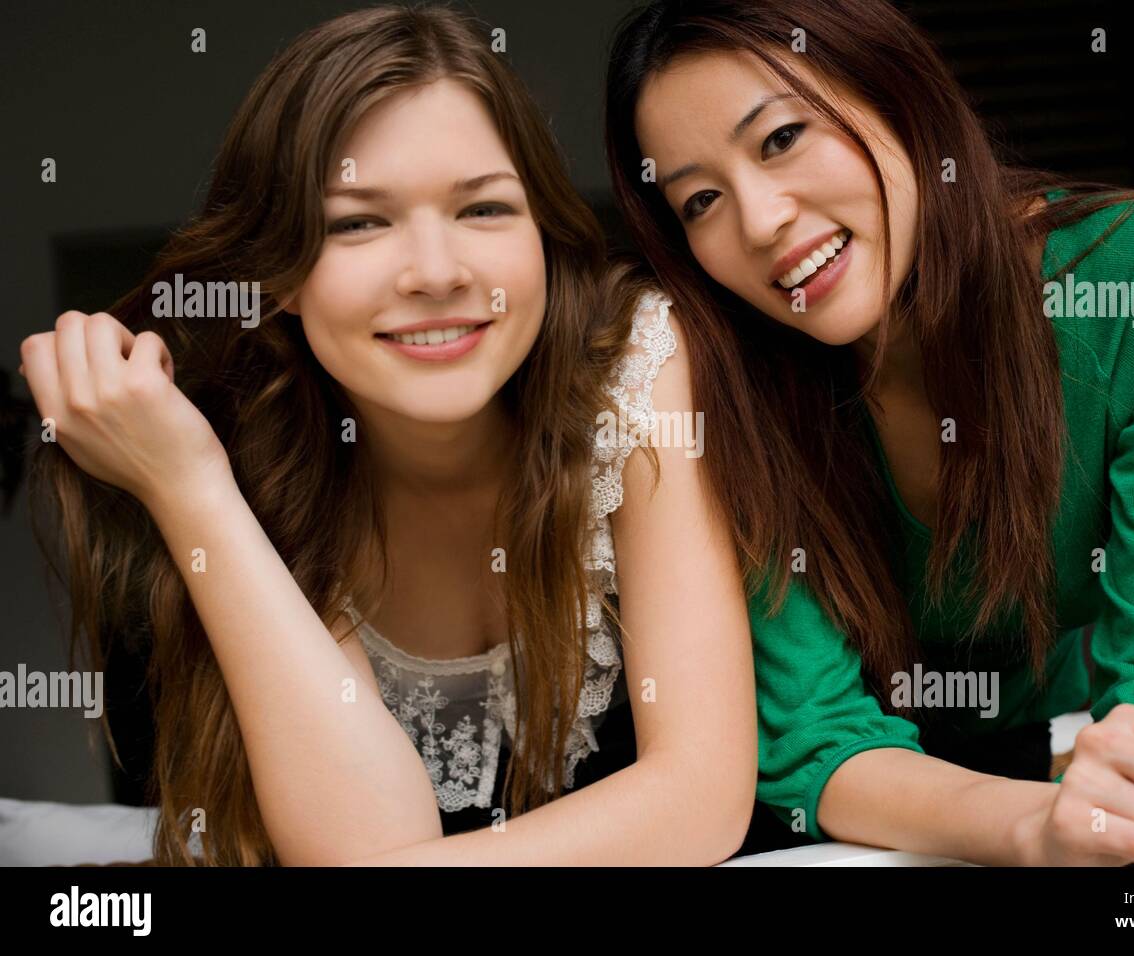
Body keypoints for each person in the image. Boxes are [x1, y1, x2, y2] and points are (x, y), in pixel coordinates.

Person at [20, 4, 755, 866]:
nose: (438, 273)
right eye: (358, 222)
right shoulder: (252, 450)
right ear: (280, 273)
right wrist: (191, 489)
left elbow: (700, 798)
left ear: (546, 236)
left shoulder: (636, 367)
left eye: (483, 209)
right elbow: (362, 839)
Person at [605, 0, 1134, 865]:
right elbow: (817, 741)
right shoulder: (714, 374)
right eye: (700, 198)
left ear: (899, 92)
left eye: (781, 138)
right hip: (795, 817)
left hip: (1027, 763)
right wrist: (1034, 826)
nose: (759, 220)